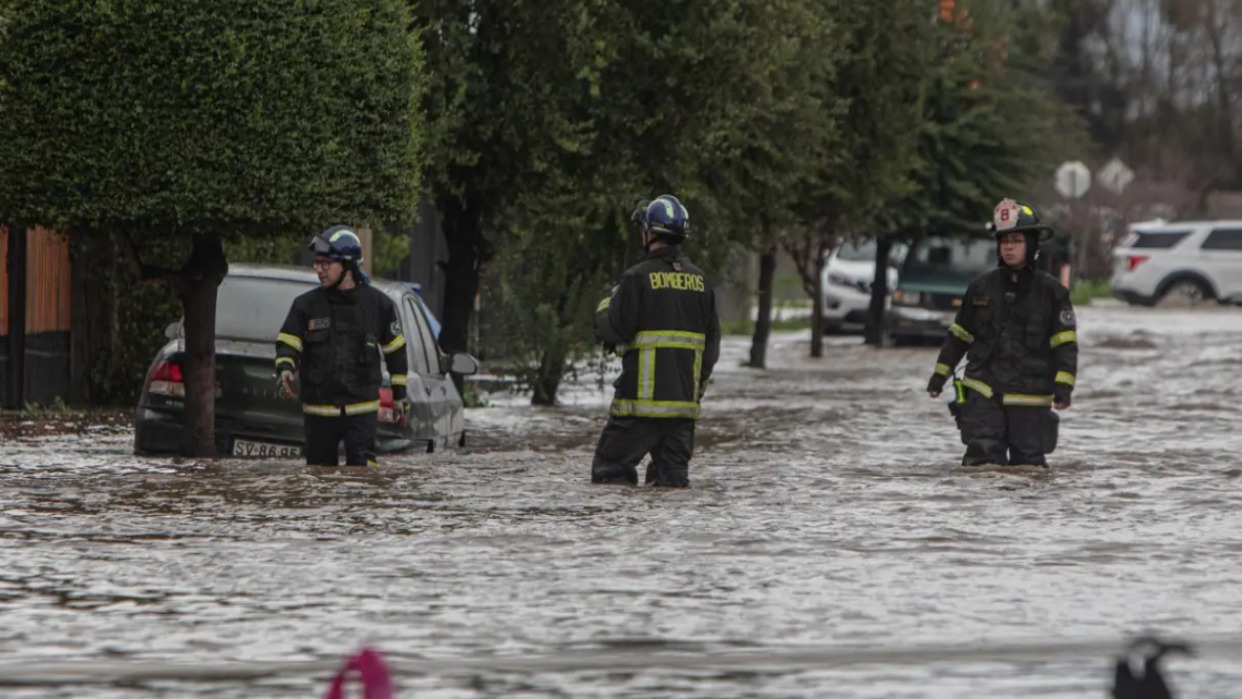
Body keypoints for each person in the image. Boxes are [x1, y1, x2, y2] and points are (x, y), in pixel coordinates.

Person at [926, 199, 1078, 467]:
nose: (1009, 247)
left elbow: (1065, 344)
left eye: (1016, 240)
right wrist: (940, 375)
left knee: (1028, 467)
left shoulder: (1052, 293)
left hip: (1030, 396)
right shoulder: (980, 288)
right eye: (1004, 241)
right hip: (983, 390)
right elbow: (959, 335)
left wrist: (1064, 388)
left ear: (1031, 244)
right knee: (981, 462)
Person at [591, 194, 721, 487]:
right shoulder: (702, 282)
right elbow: (711, 350)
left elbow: (615, 329)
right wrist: (693, 393)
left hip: (639, 409)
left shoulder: (637, 278)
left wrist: (605, 305)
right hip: (682, 412)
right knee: (671, 486)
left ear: (649, 232)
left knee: (609, 472)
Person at [275, 225, 411, 467]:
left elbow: (396, 352)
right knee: (319, 480)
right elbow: (288, 342)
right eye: (317, 263)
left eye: (326, 263)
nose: (319, 269)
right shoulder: (305, 305)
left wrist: (400, 396)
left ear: (347, 266)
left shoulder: (379, 305)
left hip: (362, 411)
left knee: (363, 478)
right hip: (319, 412)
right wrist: (285, 369)